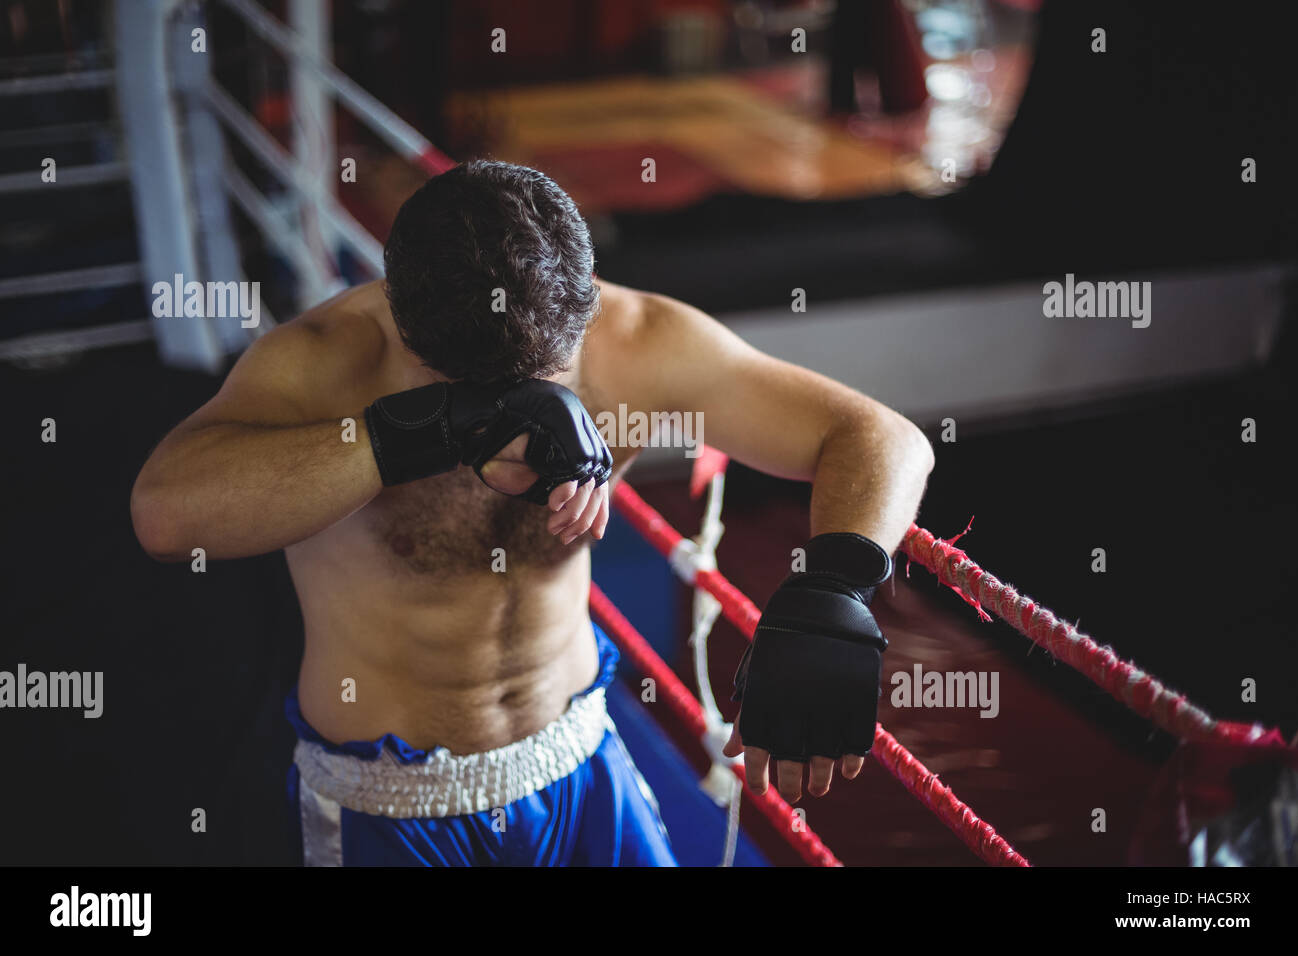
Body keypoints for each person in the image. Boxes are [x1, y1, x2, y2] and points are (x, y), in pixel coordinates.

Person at [130, 160, 934, 866]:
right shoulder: (326, 362)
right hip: (387, 802)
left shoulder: (635, 343)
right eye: (471, 386)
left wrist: (833, 586)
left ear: (581, 311)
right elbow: (164, 515)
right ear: (401, 319)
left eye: (535, 380)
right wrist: (413, 436)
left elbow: (880, 436)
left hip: (577, 758)